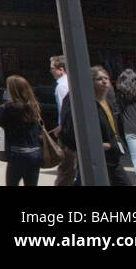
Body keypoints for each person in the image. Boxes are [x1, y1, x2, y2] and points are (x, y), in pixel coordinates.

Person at [59, 65, 130, 185]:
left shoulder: (107, 101)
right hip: (94, 159)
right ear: (90, 81)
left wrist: (116, 144)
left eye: (106, 78)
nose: (104, 81)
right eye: (99, 79)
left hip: (112, 158)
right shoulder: (81, 101)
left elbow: (114, 128)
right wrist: (95, 145)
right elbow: (69, 129)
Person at [0, 74, 44, 186]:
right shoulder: (33, 105)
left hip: (18, 152)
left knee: (12, 182)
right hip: (35, 151)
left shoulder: (9, 108)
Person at [48, 56, 77, 186]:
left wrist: (61, 127)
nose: (51, 71)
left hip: (67, 131)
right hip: (71, 128)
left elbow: (64, 110)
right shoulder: (72, 82)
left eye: (52, 68)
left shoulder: (61, 86)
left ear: (61, 69)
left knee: (66, 167)